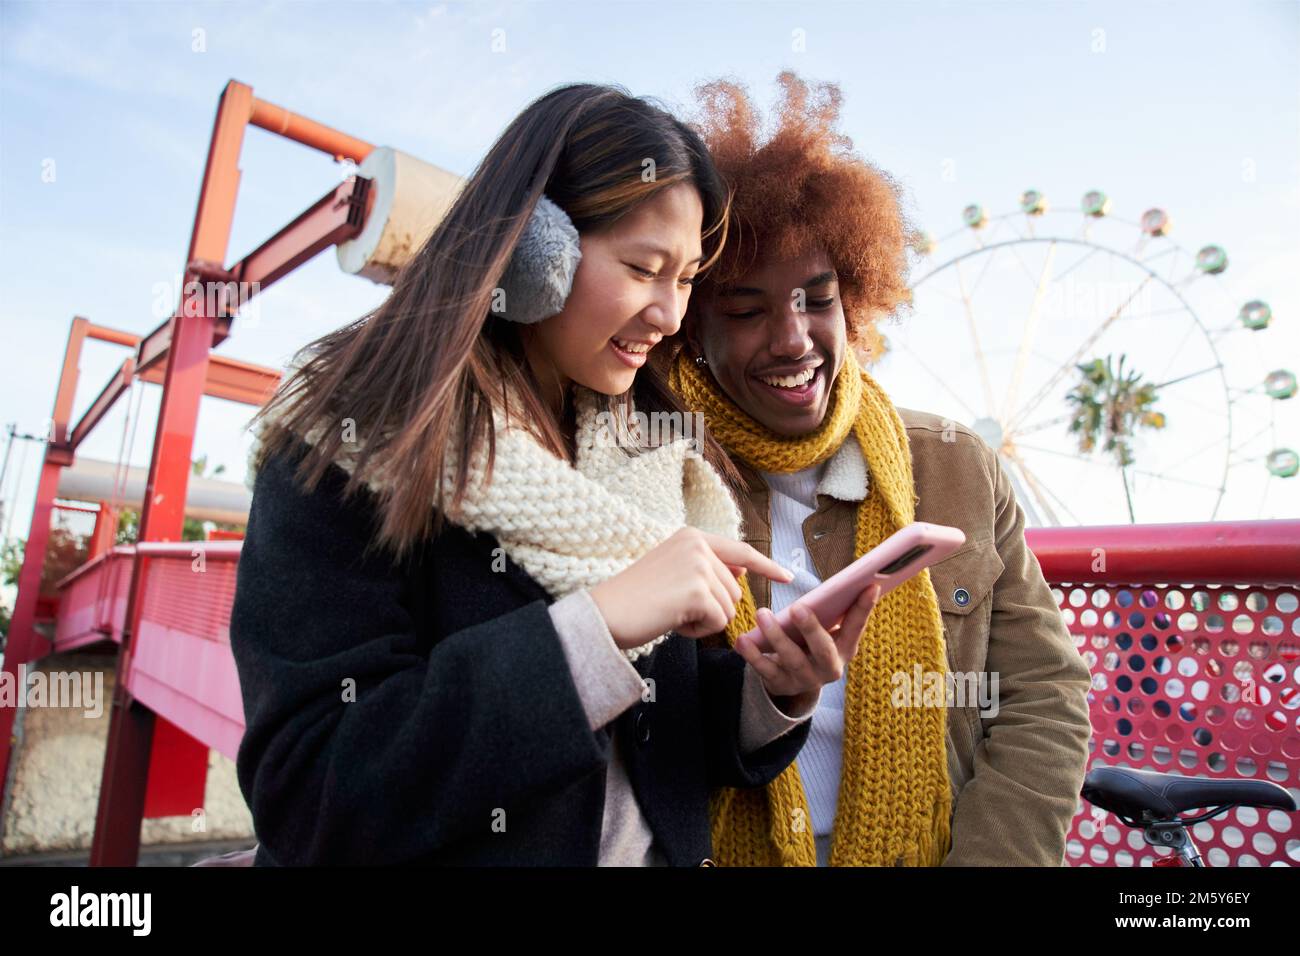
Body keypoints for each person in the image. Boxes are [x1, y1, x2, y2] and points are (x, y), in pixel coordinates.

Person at [228, 81, 879, 866]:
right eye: (644, 268)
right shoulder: (354, 435)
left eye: (686, 280)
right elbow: (310, 792)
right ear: (534, 245)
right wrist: (596, 626)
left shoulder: (651, 452)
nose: (671, 316)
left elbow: (659, 753)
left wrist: (775, 694)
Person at [661, 72, 1094, 866]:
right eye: (749, 310)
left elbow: (1043, 697)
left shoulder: (960, 467)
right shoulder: (651, 472)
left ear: (855, 300)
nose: (793, 339)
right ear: (688, 327)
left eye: (817, 300)